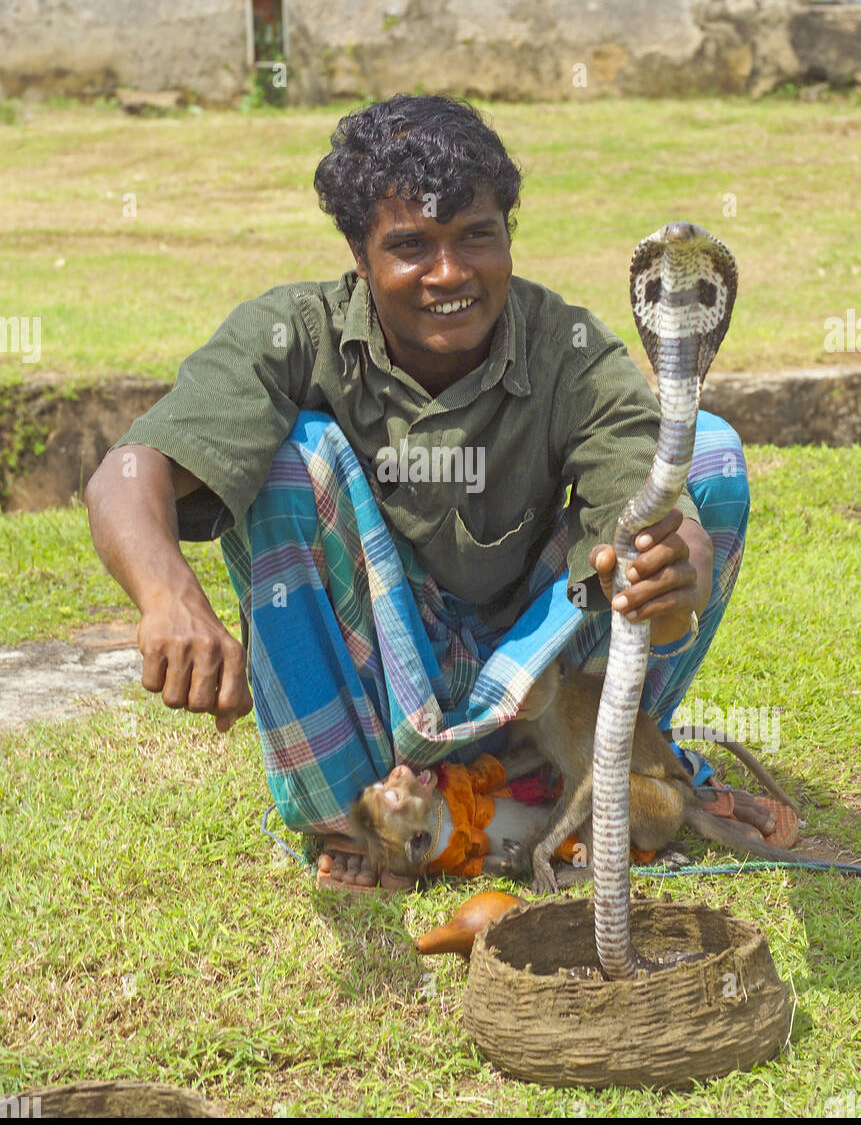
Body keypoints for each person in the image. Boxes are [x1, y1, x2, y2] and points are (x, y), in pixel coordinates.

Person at [85, 93, 765, 891]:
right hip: (384, 672)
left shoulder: (567, 346)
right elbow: (128, 472)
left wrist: (675, 558)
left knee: (708, 453)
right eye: (411, 246)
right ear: (358, 249)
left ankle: (598, 779)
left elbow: (649, 485)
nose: (450, 274)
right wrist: (168, 597)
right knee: (286, 458)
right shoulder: (291, 332)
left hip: (540, 680)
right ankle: (352, 820)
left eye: (477, 236)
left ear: (509, 231)